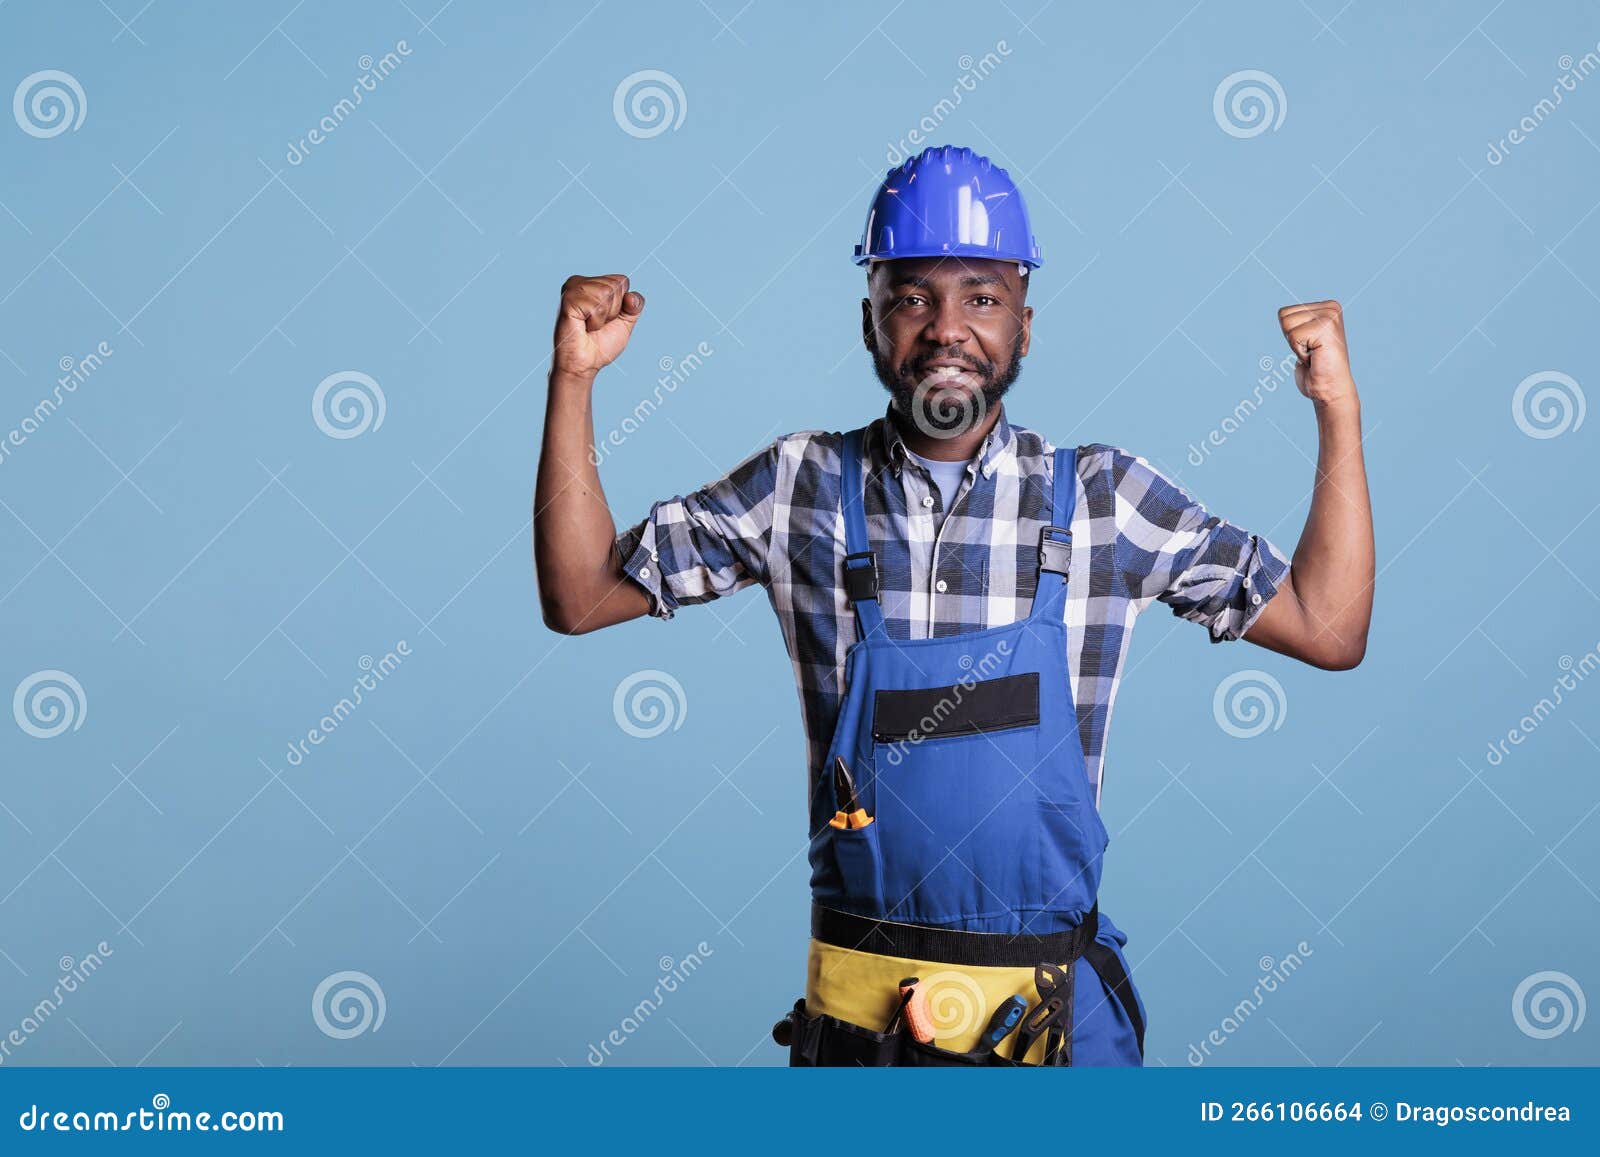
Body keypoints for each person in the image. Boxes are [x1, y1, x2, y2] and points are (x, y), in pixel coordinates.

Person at [533, 145, 1374, 1066]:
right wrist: (573, 380)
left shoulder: (1102, 500)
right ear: (870, 322)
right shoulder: (798, 487)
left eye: (980, 297)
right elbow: (580, 597)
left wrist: (1338, 409)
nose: (946, 327)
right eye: (911, 297)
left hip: (1051, 1040)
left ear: (1024, 323)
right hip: (864, 1039)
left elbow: (1328, 627)